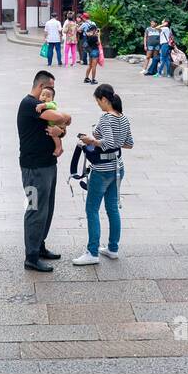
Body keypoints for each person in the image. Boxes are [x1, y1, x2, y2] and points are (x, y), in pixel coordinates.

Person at [72, 83, 133, 265]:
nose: (98, 104)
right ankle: (113, 248)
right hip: (118, 168)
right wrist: (109, 143)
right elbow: (128, 143)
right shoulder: (124, 117)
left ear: (104, 99)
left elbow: (107, 142)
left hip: (102, 170)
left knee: (91, 209)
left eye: (98, 101)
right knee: (112, 208)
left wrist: (90, 140)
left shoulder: (106, 118)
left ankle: (92, 252)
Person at [18, 70, 71, 272]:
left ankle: (39, 246)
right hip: (33, 168)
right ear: (41, 87)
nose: (53, 93)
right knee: (35, 209)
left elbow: (62, 124)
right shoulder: (29, 104)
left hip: (48, 164)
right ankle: (31, 256)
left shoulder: (41, 105)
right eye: (51, 89)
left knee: (46, 209)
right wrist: (64, 119)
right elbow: (61, 117)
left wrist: (61, 129)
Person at [79, 15, 101, 85]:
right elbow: (98, 43)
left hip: (90, 51)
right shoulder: (95, 37)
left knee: (90, 65)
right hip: (95, 51)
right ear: (94, 30)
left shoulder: (88, 36)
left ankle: (86, 78)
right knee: (94, 66)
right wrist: (99, 36)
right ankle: (93, 79)